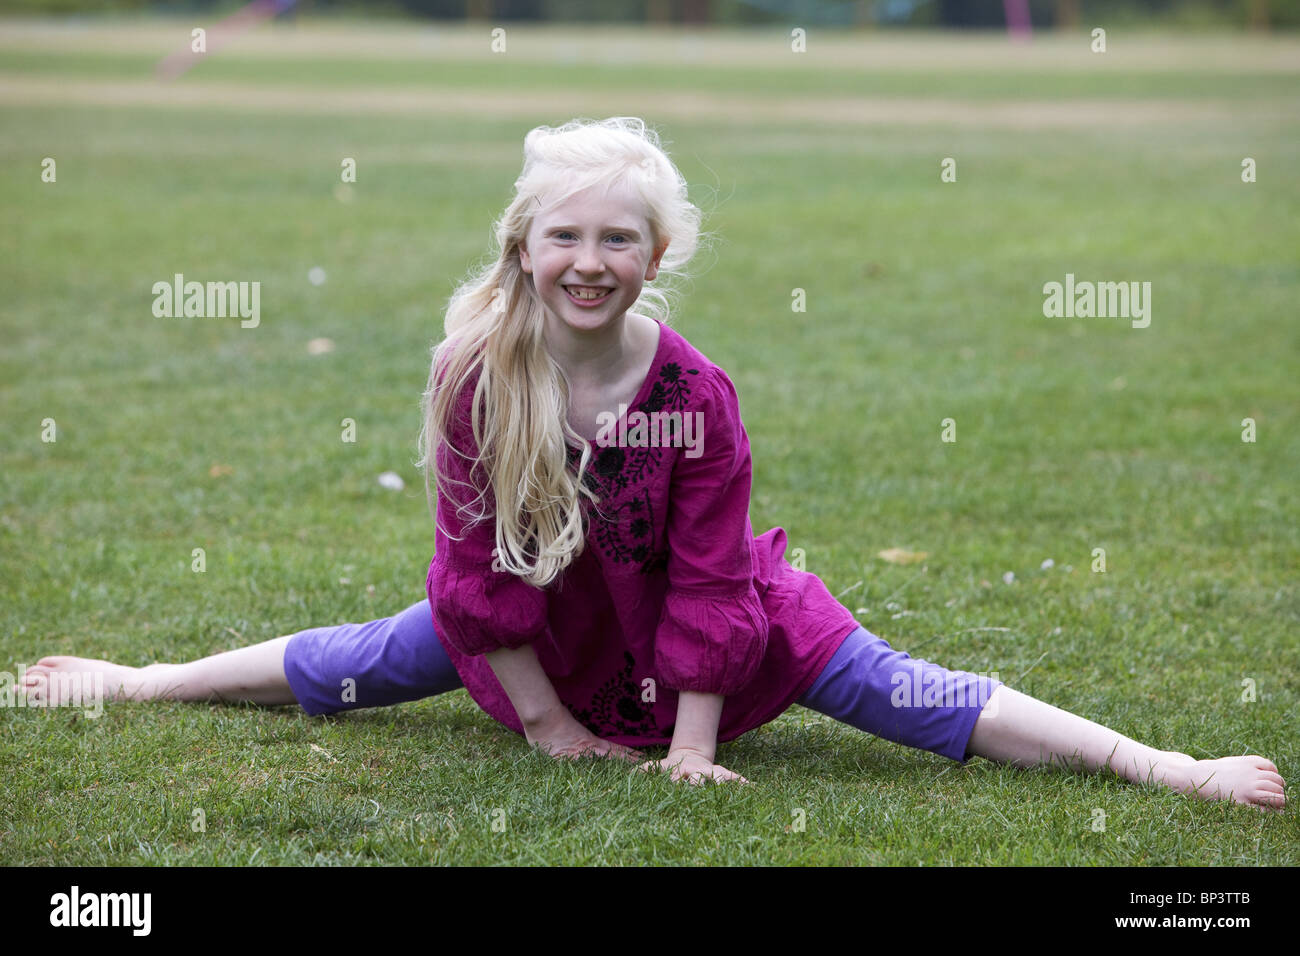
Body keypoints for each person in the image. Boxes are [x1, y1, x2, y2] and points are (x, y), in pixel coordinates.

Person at [20, 117, 1284, 809]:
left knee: (901, 688)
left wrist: (688, 742)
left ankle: (1160, 765)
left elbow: (710, 581)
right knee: (370, 655)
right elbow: (471, 579)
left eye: (617, 237)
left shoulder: (694, 394)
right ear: (523, 248)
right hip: (549, 625)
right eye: (563, 234)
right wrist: (552, 728)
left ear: (655, 252)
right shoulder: (478, 372)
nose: (588, 258)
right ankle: (144, 681)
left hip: (715, 621)